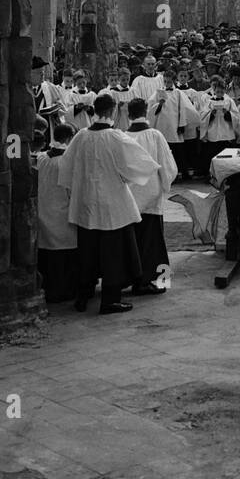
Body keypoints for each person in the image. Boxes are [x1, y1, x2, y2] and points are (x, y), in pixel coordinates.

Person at [57, 92, 153, 315]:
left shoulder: (80, 136)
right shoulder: (116, 137)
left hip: (86, 204)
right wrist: (125, 178)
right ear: (112, 111)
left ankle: (83, 296)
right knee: (113, 254)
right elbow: (140, 165)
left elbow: (66, 168)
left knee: (87, 252)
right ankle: (110, 300)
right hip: (111, 205)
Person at [124, 98, 178, 296]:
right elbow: (168, 165)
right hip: (151, 192)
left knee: (132, 240)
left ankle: (132, 279)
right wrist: (165, 185)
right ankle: (157, 280)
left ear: (128, 115)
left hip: (129, 195)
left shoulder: (122, 136)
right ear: (146, 112)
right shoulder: (155, 135)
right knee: (153, 240)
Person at [31, 122, 79, 302]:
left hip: (43, 212)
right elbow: (74, 191)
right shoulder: (68, 161)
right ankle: (66, 290)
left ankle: (49, 289)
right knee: (65, 257)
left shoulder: (42, 158)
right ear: (69, 138)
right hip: (64, 215)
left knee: (48, 257)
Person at [148, 65, 200, 180]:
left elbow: (184, 109)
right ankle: (164, 173)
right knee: (164, 150)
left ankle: (178, 172)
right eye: (165, 81)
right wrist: (159, 104)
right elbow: (151, 109)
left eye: (169, 82)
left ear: (174, 81)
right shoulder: (158, 93)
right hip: (162, 126)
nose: (167, 84)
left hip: (174, 125)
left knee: (177, 151)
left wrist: (181, 125)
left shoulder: (178, 93)